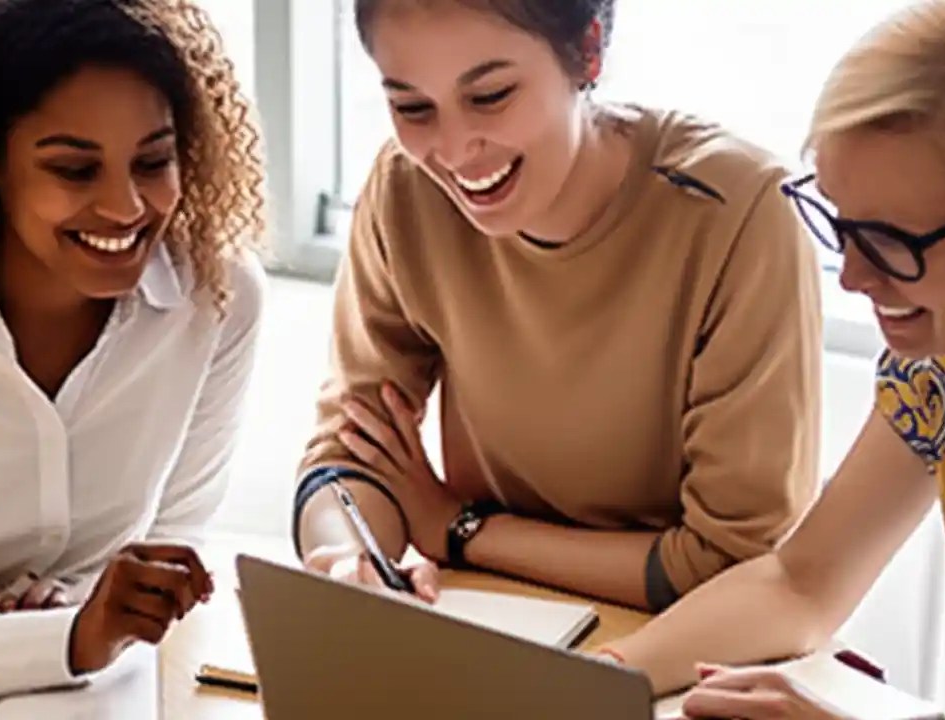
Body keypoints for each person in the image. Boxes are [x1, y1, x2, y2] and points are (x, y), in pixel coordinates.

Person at [598, 0, 945, 716]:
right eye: (840, 223)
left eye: (889, 239)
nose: (853, 276)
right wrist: (596, 678)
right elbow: (802, 580)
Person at [293, 0, 823, 618]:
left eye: (490, 96)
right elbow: (353, 454)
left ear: (589, 51)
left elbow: (732, 564)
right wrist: (346, 561)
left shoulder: (740, 214)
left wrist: (464, 531)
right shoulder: (405, 191)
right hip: (491, 626)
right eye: (412, 107)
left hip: (689, 648)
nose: (456, 151)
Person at [0, 0, 266, 700]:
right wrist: (58, 637)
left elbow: (174, 555)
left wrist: (101, 615)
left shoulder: (218, 300)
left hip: (92, 684)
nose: (126, 207)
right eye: (75, 170)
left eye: (153, 161)